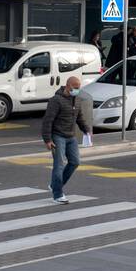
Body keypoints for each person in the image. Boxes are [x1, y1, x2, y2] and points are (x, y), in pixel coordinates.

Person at [42, 75, 91, 204]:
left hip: (71, 136)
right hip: (57, 136)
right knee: (58, 165)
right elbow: (47, 121)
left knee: (75, 162)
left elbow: (79, 117)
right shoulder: (56, 100)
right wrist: (47, 139)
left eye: (79, 87)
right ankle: (57, 195)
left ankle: (54, 185)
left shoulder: (78, 100)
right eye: (75, 87)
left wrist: (86, 130)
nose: (77, 90)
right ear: (68, 86)